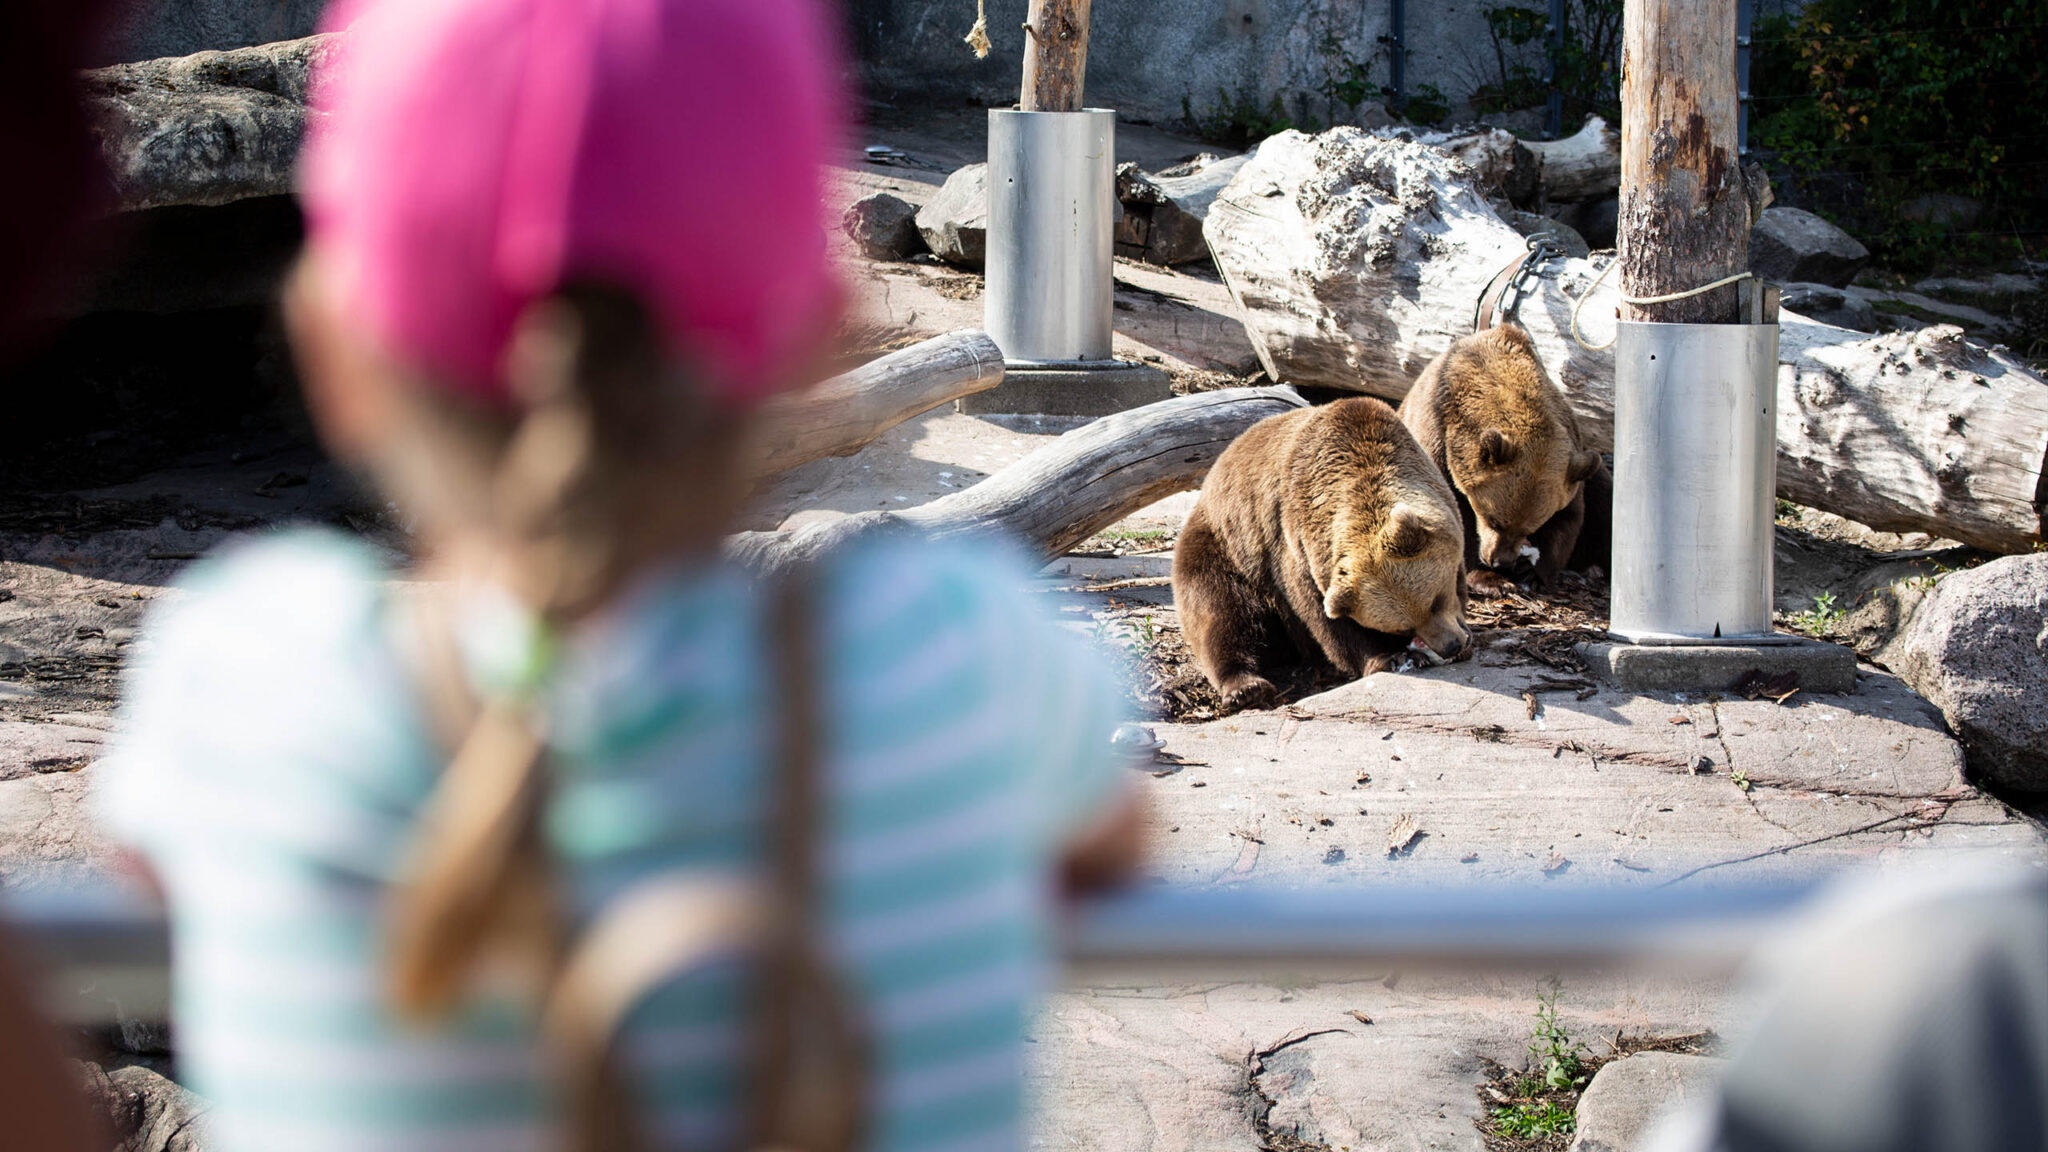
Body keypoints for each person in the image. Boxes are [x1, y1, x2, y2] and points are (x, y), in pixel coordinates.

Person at [96, 0, 1142, 1149]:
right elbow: (1106, 852)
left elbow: (151, 886)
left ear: (333, 355)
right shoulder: (957, 647)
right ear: (820, 328)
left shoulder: (248, 681)